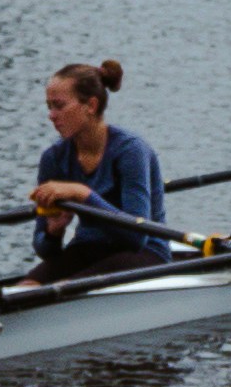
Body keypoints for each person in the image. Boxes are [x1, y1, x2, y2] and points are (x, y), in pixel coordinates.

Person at [26, 59, 169, 276]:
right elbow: (45, 251)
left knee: (67, 289)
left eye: (60, 105)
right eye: (49, 106)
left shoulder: (130, 151)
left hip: (146, 253)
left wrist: (82, 194)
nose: (51, 115)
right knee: (28, 287)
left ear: (91, 106)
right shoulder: (53, 158)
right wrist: (54, 232)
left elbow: (136, 237)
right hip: (88, 249)